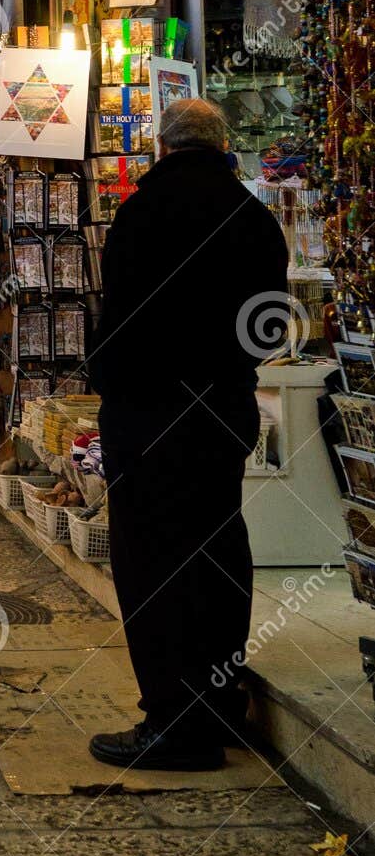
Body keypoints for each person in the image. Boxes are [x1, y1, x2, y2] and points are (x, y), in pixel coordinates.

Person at [87, 96, 289, 772]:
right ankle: (217, 703)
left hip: (149, 414)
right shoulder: (253, 217)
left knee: (153, 562)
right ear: (223, 145)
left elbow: (118, 319)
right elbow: (269, 324)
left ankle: (176, 725)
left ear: (163, 147)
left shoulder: (142, 212)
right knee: (216, 551)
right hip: (221, 409)